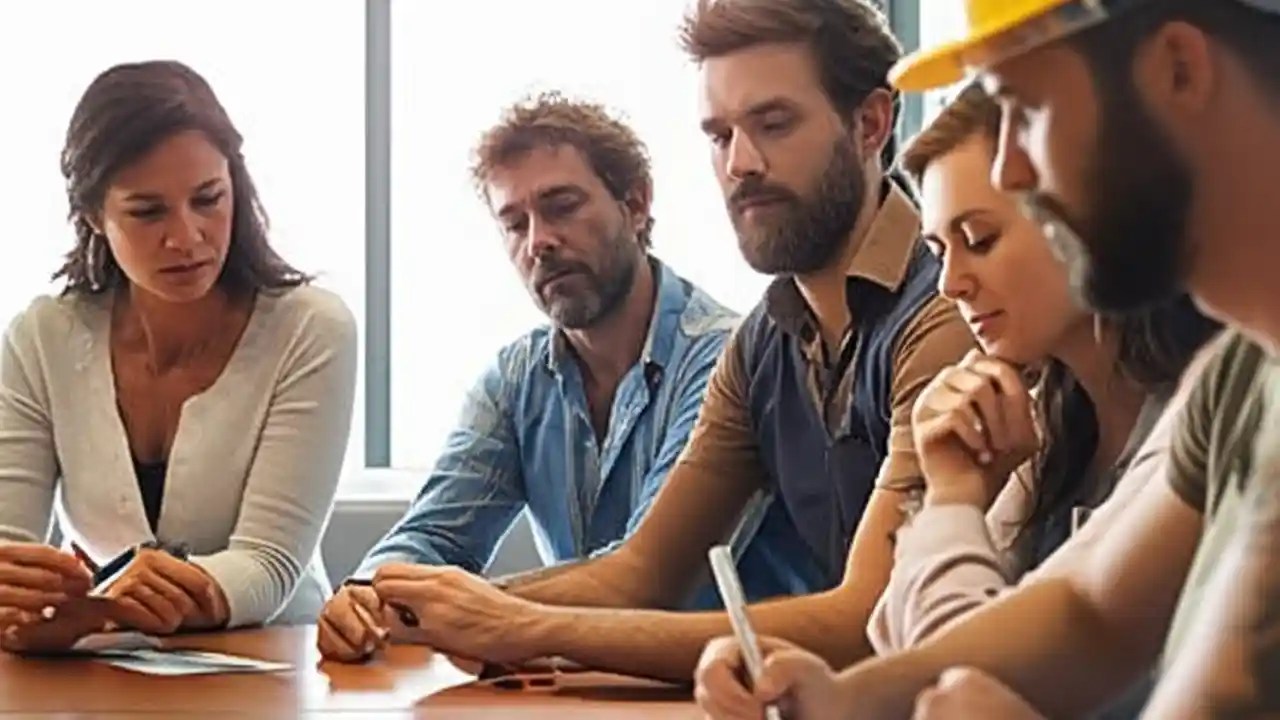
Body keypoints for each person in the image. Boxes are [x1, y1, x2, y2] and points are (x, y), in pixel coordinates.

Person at [341, 0, 975, 681]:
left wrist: (517, 624)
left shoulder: (950, 309)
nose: (740, 163)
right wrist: (411, 603)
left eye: (774, 123)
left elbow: (871, 622)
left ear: (872, 123)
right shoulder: (763, 343)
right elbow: (642, 572)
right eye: (719, 135)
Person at [695, 0, 1280, 717]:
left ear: (1178, 70)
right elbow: (1087, 609)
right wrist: (840, 699)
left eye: (1025, 111)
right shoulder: (1239, 374)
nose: (1013, 170)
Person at [316, 92, 740, 662]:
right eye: (514, 224)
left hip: (720, 685)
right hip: (576, 686)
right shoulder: (515, 380)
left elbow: (642, 576)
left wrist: (458, 605)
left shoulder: (723, 357)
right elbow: (433, 536)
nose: (538, 242)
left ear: (636, 204)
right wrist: (369, 593)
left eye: (562, 207)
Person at [0, 60, 357, 651]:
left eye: (208, 199)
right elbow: (9, 552)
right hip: (95, 670)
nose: (187, 237)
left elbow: (267, 564)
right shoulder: (40, 338)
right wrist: (32, 606)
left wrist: (108, 608)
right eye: (148, 211)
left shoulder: (311, 328)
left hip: (278, 661)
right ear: (93, 216)